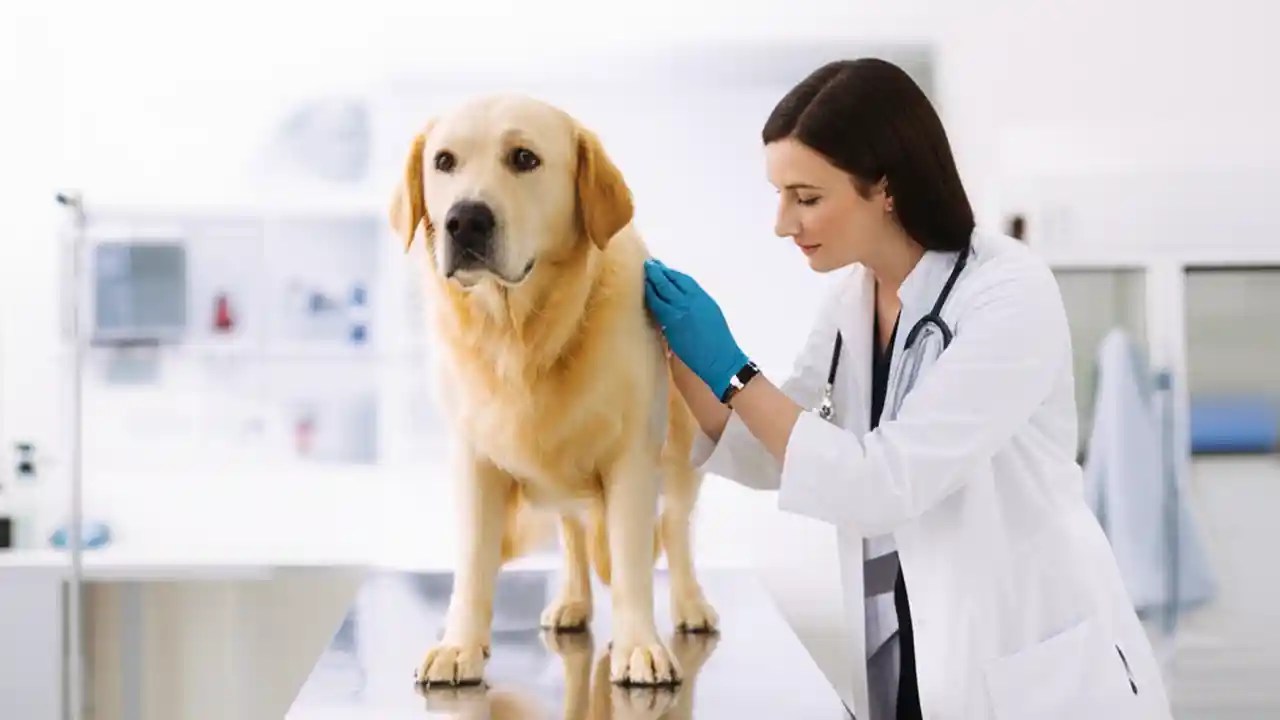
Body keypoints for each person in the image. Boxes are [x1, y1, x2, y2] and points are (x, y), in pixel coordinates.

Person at [642, 58, 1173, 720]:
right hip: (914, 652)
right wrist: (683, 357)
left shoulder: (1007, 294)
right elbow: (774, 451)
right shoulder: (851, 302)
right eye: (779, 195)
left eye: (806, 198)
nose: (783, 223)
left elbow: (882, 485)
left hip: (1031, 668)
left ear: (885, 188)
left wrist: (734, 370)